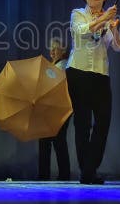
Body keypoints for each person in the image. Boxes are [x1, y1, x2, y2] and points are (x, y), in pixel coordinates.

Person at [66, 0, 120, 185]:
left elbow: (119, 46)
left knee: (103, 123)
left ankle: (90, 168)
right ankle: (87, 172)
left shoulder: (109, 18)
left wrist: (114, 27)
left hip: (100, 75)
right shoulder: (78, 14)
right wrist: (102, 19)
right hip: (78, 73)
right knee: (82, 124)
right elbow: (82, 31)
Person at [37, 37, 71, 181]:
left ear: (62, 51)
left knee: (56, 140)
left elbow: (51, 86)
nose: (51, 52)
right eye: (51, 49)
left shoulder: (62, 65)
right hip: (54, 108)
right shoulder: (56, 65)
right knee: (52, 140)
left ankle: (56, 174)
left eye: (55, 49)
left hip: (59, 109)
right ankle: (54, 174)